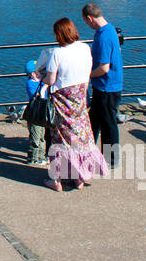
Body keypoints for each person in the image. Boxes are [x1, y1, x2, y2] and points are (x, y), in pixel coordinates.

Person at [42, 17, 109, 191]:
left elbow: (51, 79)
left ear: (59, 34)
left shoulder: (57, 53)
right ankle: (79, 177)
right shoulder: (85, 48)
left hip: (62, 102)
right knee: (81, 138)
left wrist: (39, 77)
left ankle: (56, 180)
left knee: (59, 140)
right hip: (80, 99)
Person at [83, 3, 125, 165]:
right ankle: (88, 152)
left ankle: (111, 160)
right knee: (95, 120)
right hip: (104, 86)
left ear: (89, 18)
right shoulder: (108, 30)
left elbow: (104, 67)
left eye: (86, 22)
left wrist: (86, 75)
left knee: (108, 124)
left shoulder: (104, 36)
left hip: (107, 86)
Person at [24, 58, 47, 164]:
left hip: (42, 112)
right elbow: (39, 96)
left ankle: (41, 156)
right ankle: (32, 157)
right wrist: (46, 85)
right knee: (35, 137)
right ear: (33, 73)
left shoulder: (42, 81)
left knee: (42, 136)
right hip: (35, 113)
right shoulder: (30, 84)